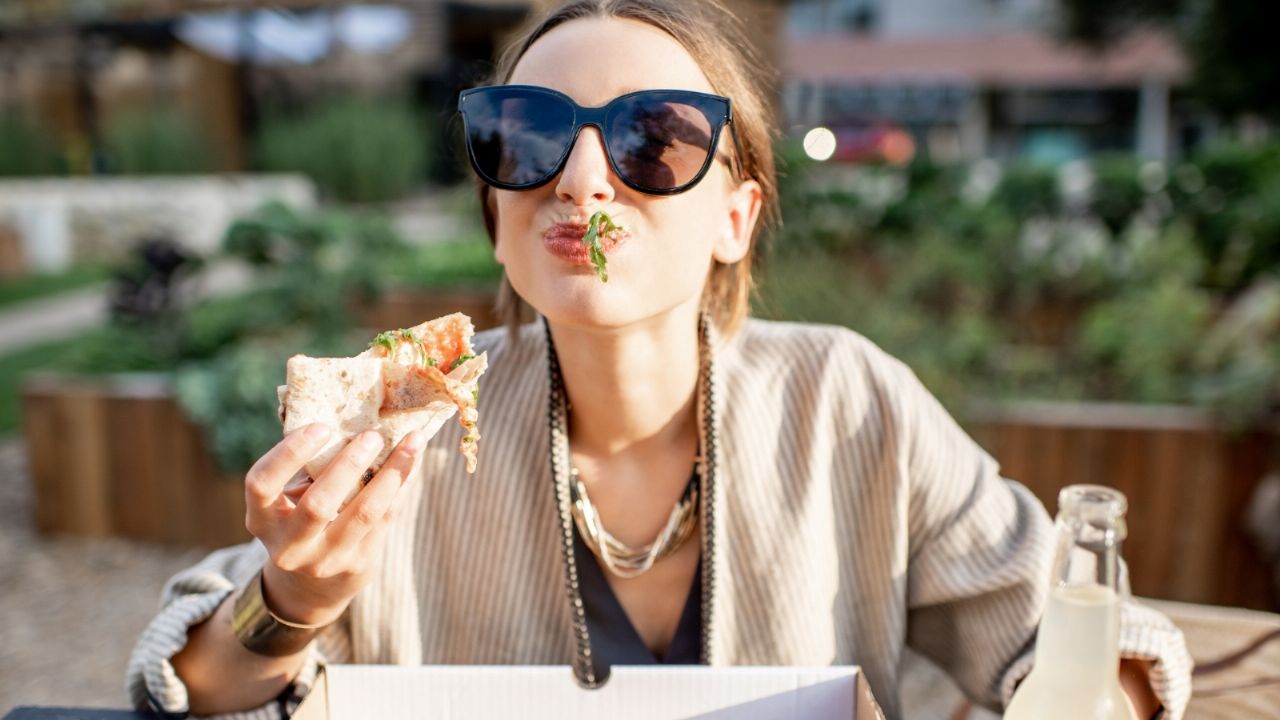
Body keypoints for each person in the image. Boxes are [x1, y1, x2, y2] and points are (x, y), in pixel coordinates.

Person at [126, 1, 1193, 718]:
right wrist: (297, 596)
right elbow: (188, 681)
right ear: (494, 211)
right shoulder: (401, 425)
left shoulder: (846, 402)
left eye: (654, 139)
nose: (583, 177)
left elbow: (1067, 642)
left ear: (735, 215)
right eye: (524, 134)